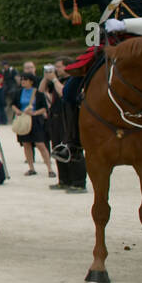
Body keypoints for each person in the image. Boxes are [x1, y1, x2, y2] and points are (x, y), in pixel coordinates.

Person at [53, 0, 142, 163]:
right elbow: (70, 2)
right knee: (71, 89)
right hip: (109, 45)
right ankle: (71, 143)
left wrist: (125, 23)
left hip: (140, 43)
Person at [43, 59, 86, 192]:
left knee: (72, 147)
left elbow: (64, 93)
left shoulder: (73, 80)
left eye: (59, 67)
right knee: (57, 148)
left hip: (68, 119)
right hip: (55, 119)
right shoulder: (58, 80)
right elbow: (41, 90)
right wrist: (46, 77)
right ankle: (64, 180)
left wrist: (55, 80)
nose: (57, 69)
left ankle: (78, 183)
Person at [11, 72, 54, 177]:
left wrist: (34, 113)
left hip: (35, 121)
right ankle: (31, 168)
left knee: (40, 144)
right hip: (23, 120)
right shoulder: (18, 92)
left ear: (31, 81)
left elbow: (44, 108)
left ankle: (49, 168)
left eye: (25, 79)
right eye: (22, 79)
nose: (23, 82)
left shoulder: (38, 93)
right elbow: (13, 104)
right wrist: (18, 111)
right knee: (26, 144)